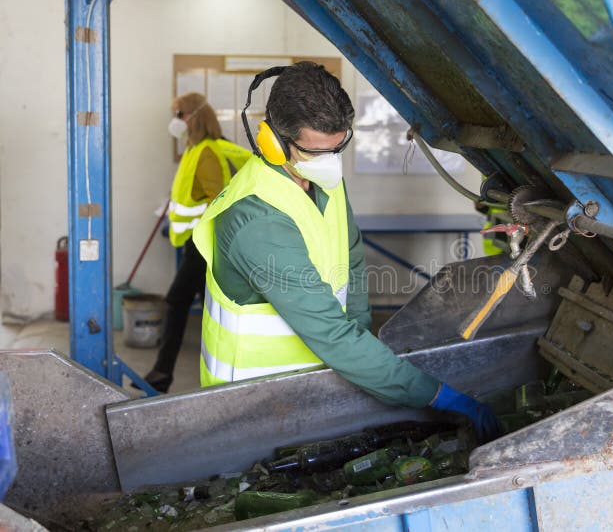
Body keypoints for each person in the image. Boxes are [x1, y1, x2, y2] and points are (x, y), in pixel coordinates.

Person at [192, 62, 502, 443]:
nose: (331, 161)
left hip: (311, 389)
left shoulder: (322, 179)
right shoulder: (257, 220)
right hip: (251, 408)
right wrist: (437, 395)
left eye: (339, 147)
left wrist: (360, 348)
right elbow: (331, 334)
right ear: (272, 141)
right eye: (316, 151)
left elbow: (352, 259)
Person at [140, 93, 252, 392]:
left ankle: (163, 374)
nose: (175, 121)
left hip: (204, 244)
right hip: (197, 242)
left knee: (177, 302)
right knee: (209, 312)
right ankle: (213, 376)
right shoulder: (195, 148)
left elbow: (219, 199)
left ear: (193, 117)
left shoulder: (206, 153)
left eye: (179, 114)